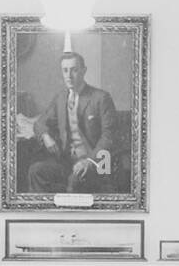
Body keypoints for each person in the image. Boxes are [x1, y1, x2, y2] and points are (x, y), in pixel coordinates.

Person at [28, 52, 120, 193]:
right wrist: (45, 136)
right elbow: (40, 123)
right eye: (65, 70)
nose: (69, 75)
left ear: (84, 71)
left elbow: (109, 136)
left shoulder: (101, 98)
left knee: (75, 180)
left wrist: (89, 162)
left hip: (97, 162)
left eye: (74, 70)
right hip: (67, 162)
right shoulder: (60, 98)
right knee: (36, 171)